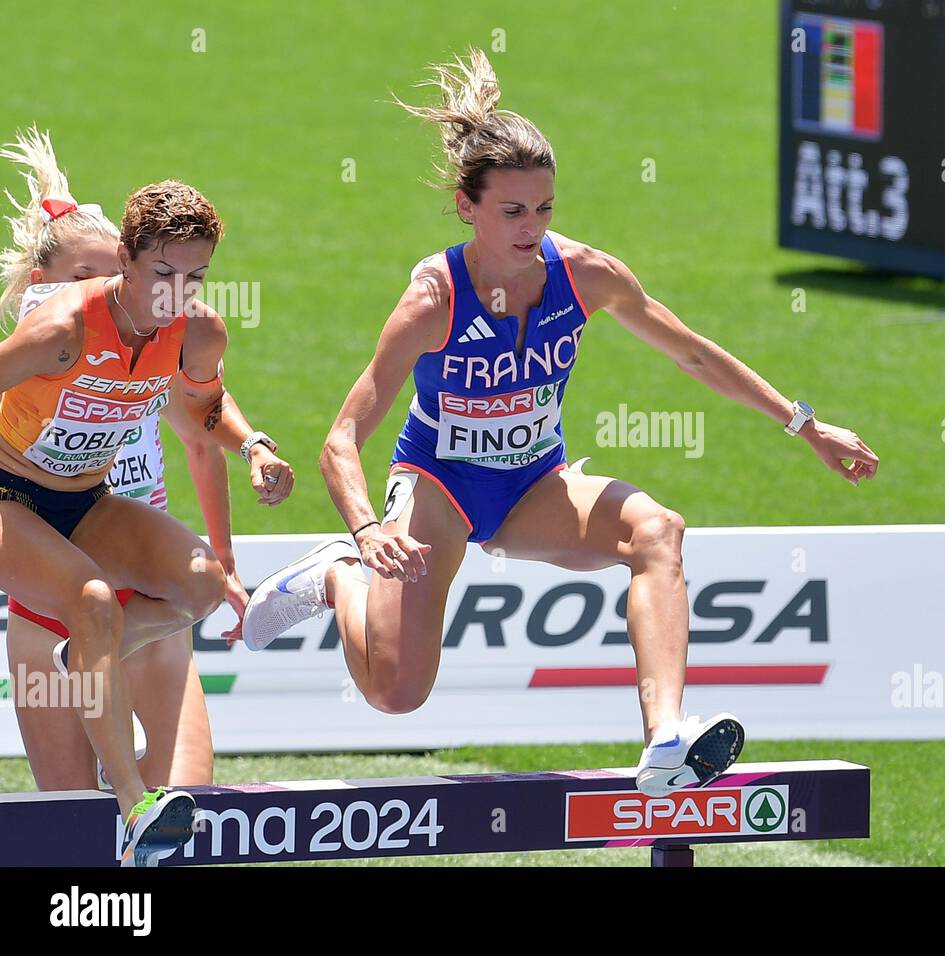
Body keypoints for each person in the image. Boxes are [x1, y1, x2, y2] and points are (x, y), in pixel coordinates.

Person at [243, 49, 878, 796]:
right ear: (466, 206)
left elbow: (696, 356)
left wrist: (807, 425)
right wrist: (365, 531)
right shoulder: (432, 299)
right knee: (395, 692)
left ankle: (665, 740)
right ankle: (338, 580)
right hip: (438, 488)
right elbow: (342, 436)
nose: (531, 228)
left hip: (534, 485)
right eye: (512, 211)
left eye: (544, 209)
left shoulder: (587, 274)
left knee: (658, 530)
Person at [0, 168, 295, 863]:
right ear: (125, 259)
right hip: (8, 495)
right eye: (161, 272)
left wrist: (251, 446)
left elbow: (203, 413)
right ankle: (136, 805)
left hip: (85, 500)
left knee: (199, 581)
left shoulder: (192, 333)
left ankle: (85, 658)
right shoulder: (64, 328)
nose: (175, 294)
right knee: (94, 599)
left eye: (193, 279)